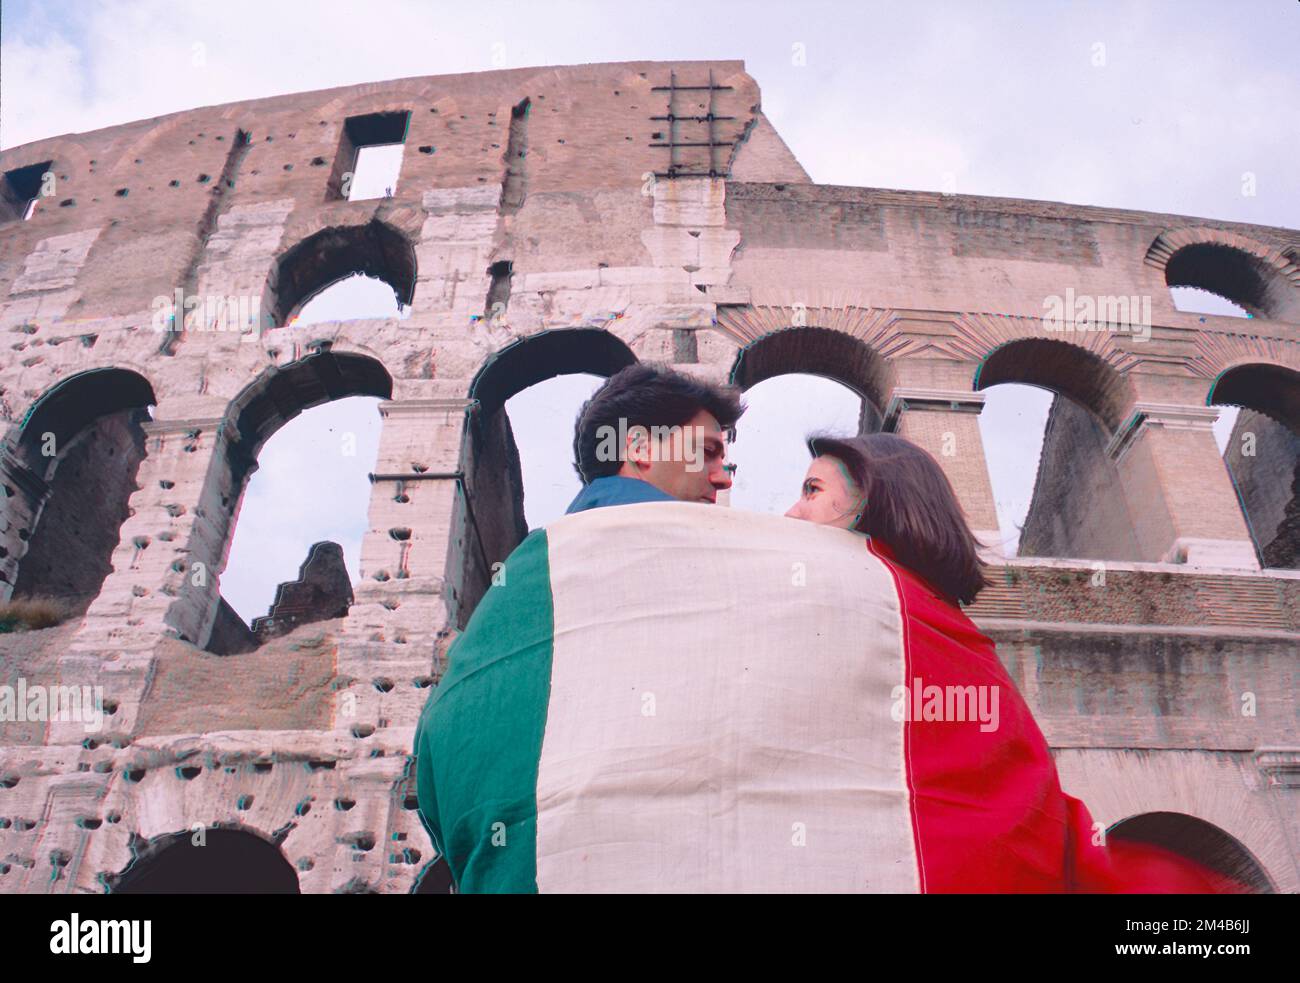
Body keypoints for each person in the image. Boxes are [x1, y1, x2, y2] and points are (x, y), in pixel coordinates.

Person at [782, 432, 1252, 893]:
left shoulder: (884, 612)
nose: (791, 513)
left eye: (812, 490)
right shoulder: (949, 631)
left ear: (870, 500)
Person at [565, 362, 743, 513]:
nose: (724, 480)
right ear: (639, 448)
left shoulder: (550, 547)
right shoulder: (685, 548)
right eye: (706, 451)